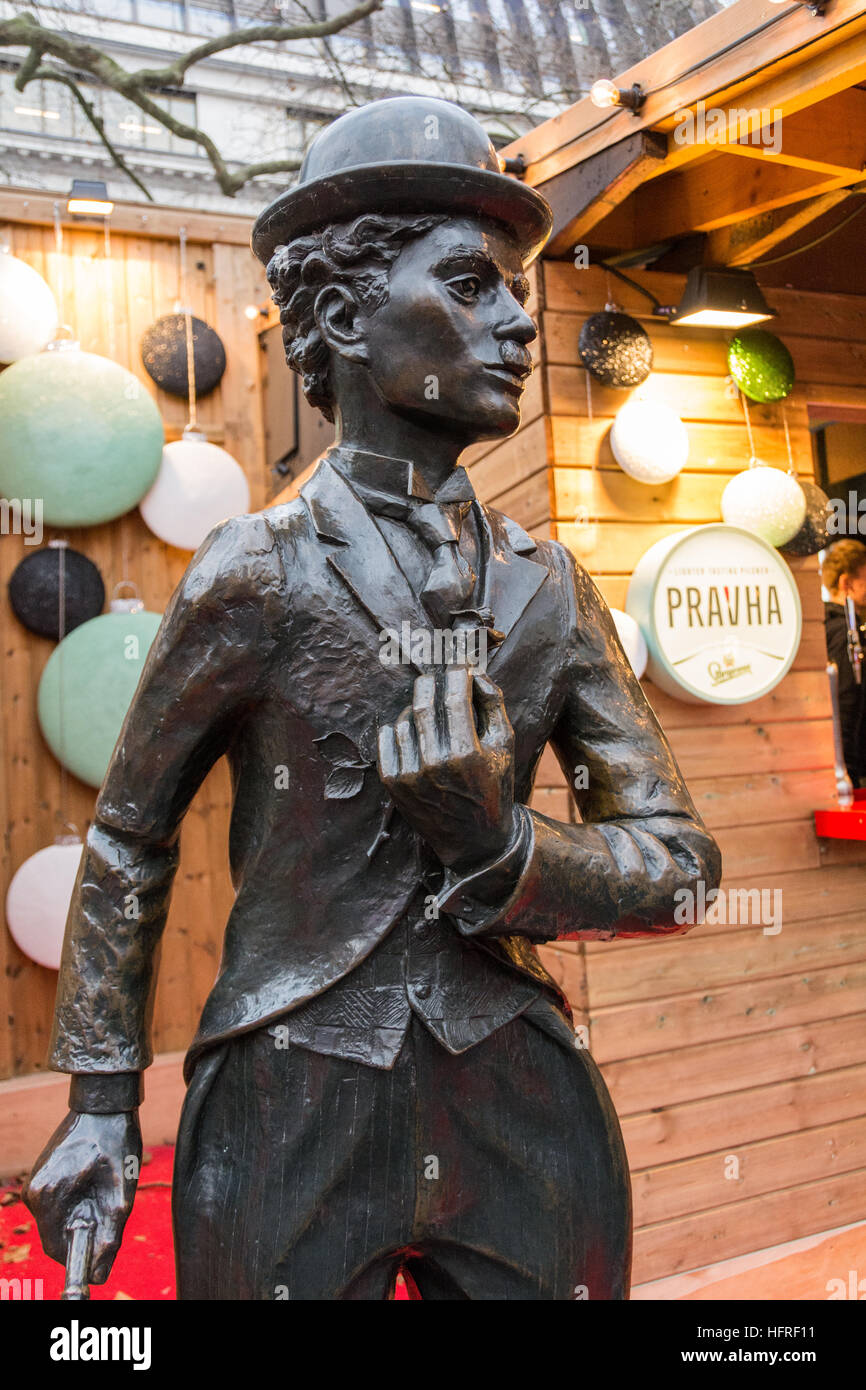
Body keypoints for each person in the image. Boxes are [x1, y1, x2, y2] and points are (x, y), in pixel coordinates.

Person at [25, 97, 721, 1300]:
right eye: (470, 285)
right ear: (343, 315)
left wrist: (502, 846)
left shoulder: (548, 586)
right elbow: (131, 838)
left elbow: (680, 866)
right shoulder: (254, 571)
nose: (514, 322)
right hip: (290, 1097)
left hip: (518, 1096)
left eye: (512, 288)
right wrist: (98, 1105)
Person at [823, 538, 866, 786]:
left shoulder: (827, 625)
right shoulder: (845, 632)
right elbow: (847, 703)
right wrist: (849, 772)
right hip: (853, 768)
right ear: (846, 583)